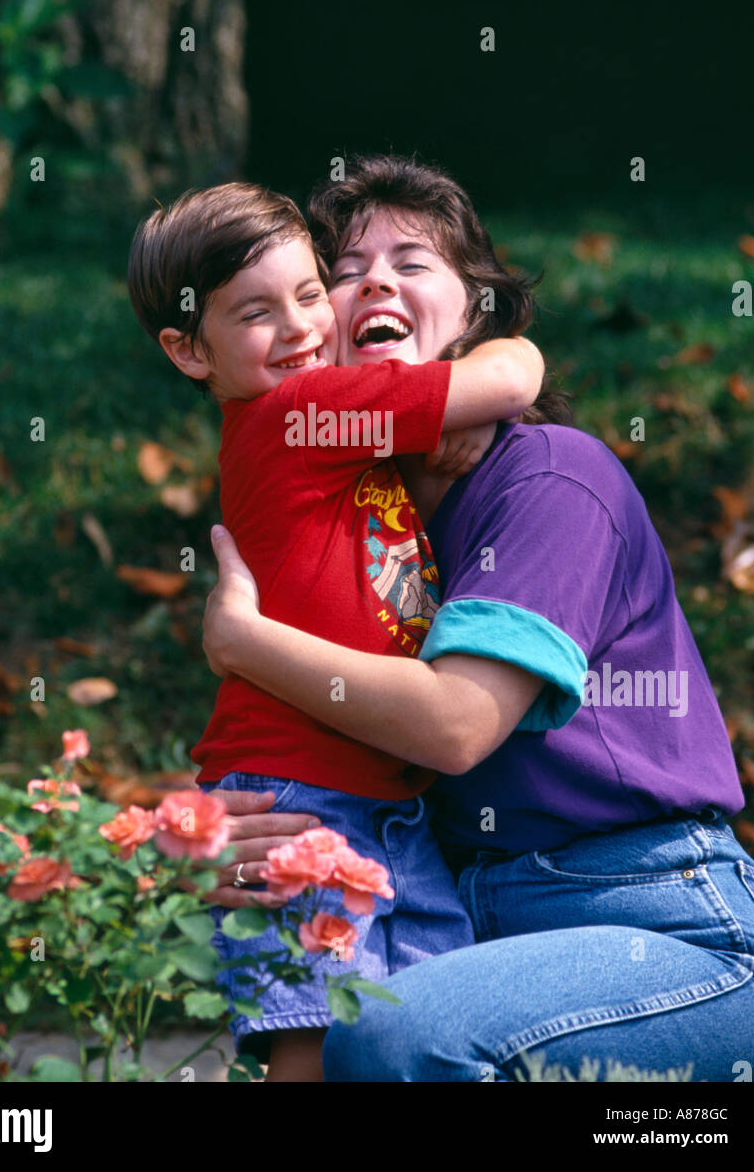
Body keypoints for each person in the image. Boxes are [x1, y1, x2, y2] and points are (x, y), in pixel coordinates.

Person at [201, 153, 754, 1082]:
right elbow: (299, 750)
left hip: (667, 930)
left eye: (412, 262)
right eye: (340, 273)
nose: (374, 280)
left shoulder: (550, 476)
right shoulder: (347, 520)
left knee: (386, 1035)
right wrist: (212, 831)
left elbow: (455, 724)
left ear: (476, 313)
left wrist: (245, 642)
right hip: (461, 918)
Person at [127, 180, 545, 1081]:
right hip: (300, 798)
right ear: (187, 351)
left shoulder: (327, 425)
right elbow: (514, 373)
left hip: (383, 803)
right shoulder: (302, 416)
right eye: (254, 314)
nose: (302, 328)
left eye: (312, 293)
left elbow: (460, 405)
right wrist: (470, 394)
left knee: (406, 1044)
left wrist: (447, 419)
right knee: (311, 1049)